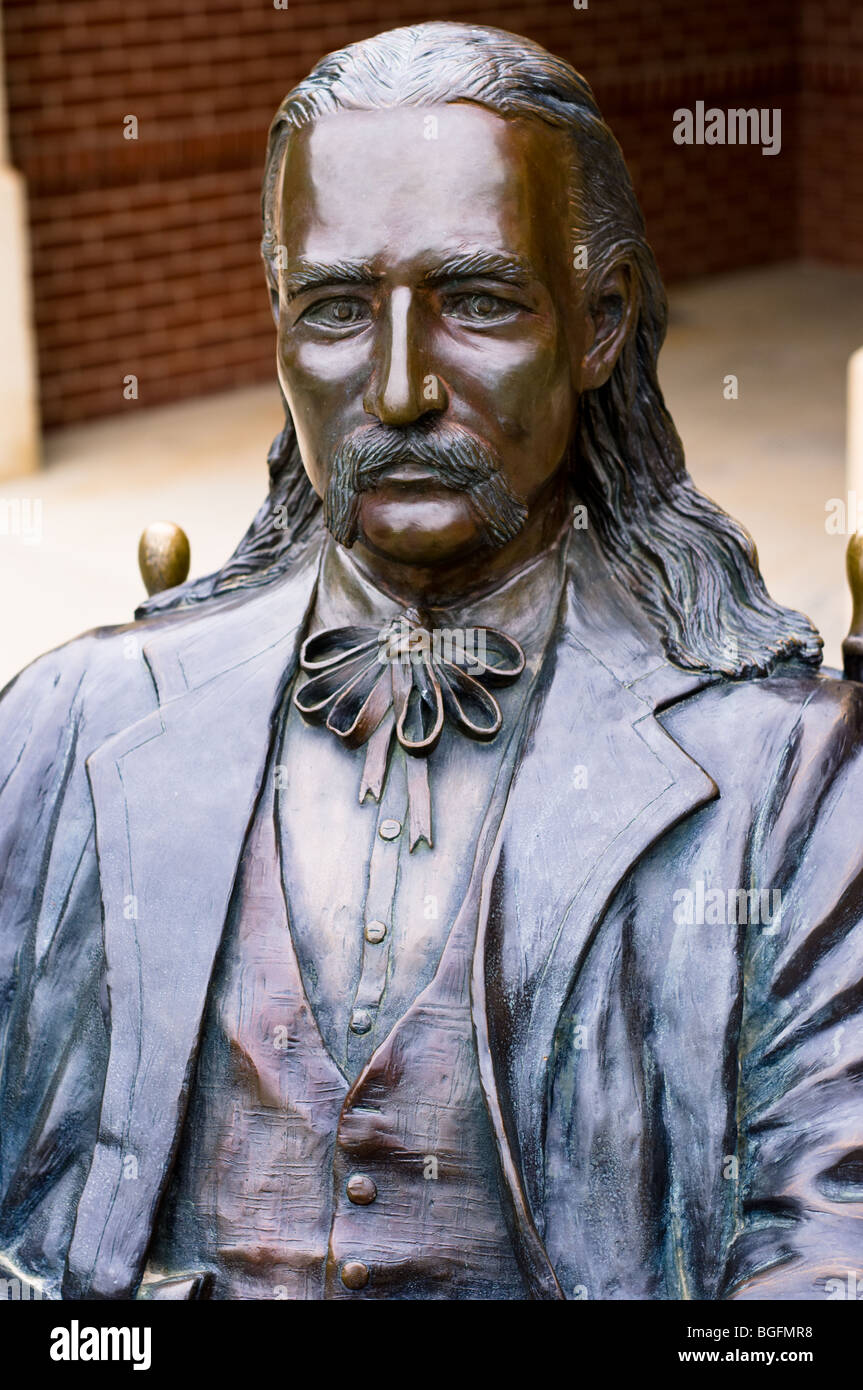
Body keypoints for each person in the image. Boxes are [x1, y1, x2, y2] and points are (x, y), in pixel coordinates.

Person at [1, 22, 861, 1301]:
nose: (399, 389)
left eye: (475, 302)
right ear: (278, 332)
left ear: (599, 323)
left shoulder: (786, 778)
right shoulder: (69, 726)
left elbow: (821, 1265)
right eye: (338, 311)